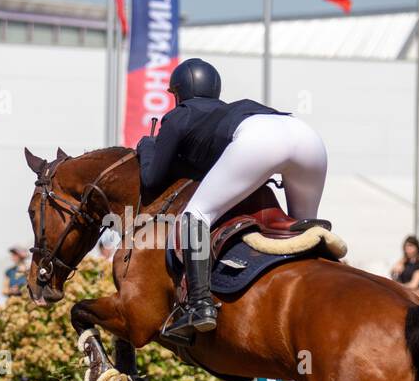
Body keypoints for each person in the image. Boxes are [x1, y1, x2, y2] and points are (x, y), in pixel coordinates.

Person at [135, 58, 329, 338]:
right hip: (306, 136)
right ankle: (319, 291)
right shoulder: (225, 110)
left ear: (178, 94)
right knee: (304, 228)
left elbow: (152, 178)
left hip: (260, 140)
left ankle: (199, 304)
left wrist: (148, 146)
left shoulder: (179, 115)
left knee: (195, 216)